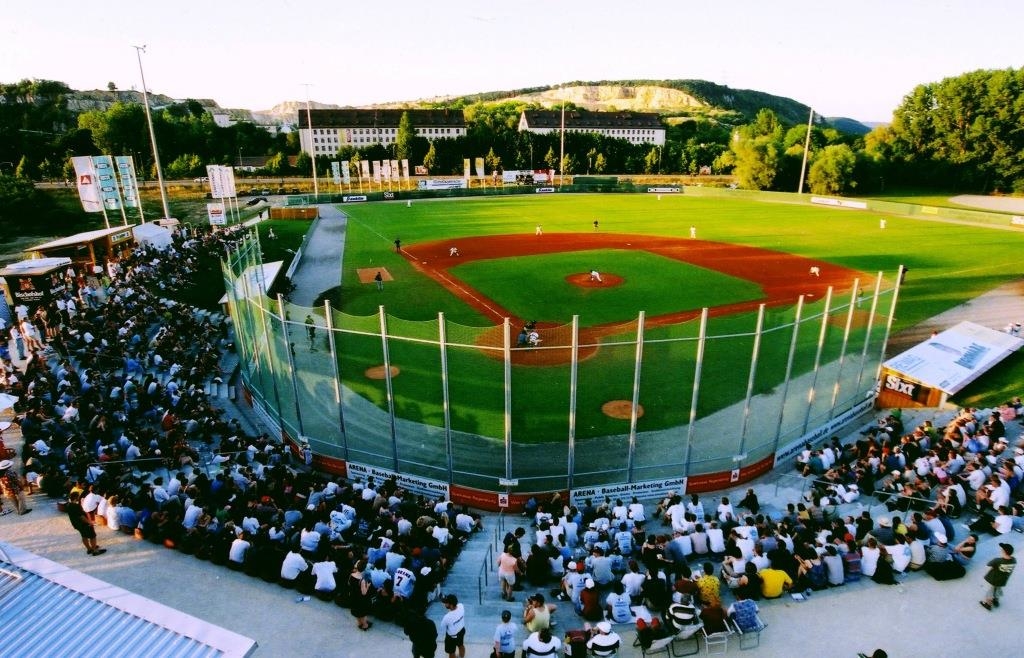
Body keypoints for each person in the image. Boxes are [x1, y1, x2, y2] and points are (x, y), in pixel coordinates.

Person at [66, 491, 104, 556]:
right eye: (78, 496)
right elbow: (81, 516)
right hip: (84, 524)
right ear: (76, 498)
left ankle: (89, 549)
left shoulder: (68, 505)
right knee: (93, 536)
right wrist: (90, 522)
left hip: (76, 524)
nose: (79, 497)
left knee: (84, 536)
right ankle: (95, 551)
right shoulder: (76, 506)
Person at [980, 542, 1016, 610]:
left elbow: (988, 564)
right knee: (998, 589)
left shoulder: (997, 560)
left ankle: (988, 604)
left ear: (1003, 551)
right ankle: (996, 600)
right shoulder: (1014, 560)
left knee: (990, 590)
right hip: (1003, 580)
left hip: (993, 579)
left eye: (1002, 549)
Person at [440, 594, 466, 658]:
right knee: (461, 645)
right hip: (461, 631)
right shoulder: (461, 606)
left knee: (451, 652)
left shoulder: (447, 617)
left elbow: (442, 626)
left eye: (446, 603)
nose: (444, 604)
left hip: (452, 637)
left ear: (451, 605)